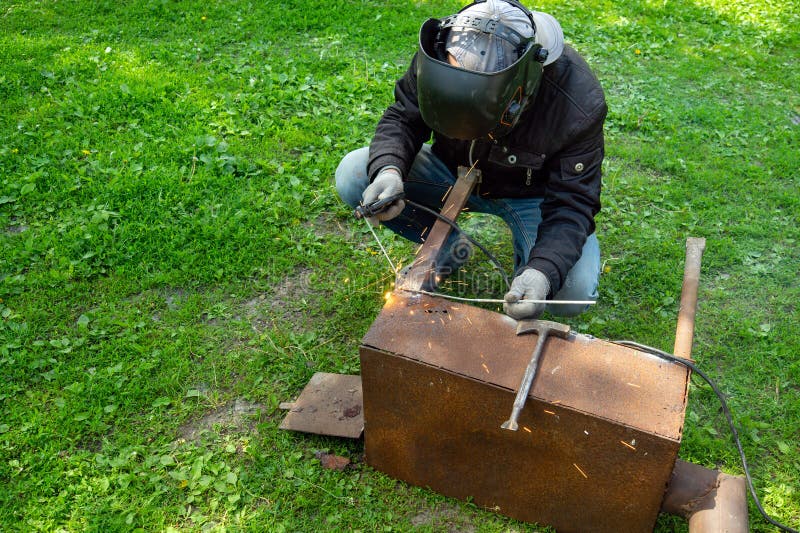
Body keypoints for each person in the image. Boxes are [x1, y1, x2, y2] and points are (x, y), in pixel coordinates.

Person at [335, 0, 606, 320]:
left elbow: (573, 204)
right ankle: (449, 249)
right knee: (355, 173)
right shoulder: (439, 60)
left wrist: (543, 271)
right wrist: (388, 170)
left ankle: (528, 271)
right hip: (447, 171)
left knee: (571, 291)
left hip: (531, 196)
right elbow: (403, 119)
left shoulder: (576, 104)